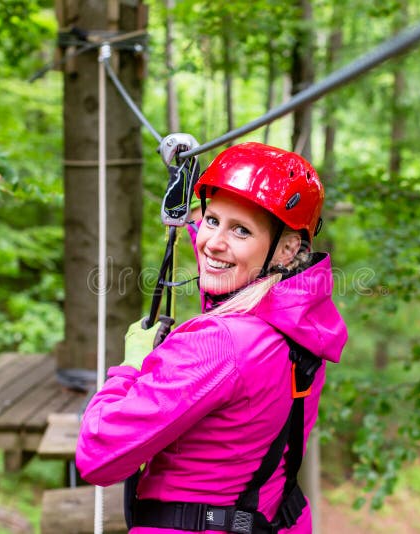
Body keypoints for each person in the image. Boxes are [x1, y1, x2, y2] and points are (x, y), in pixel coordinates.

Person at [76, 142, 347, 534]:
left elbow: (98, 457)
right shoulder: (304, 324)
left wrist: (131, 366)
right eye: (212, 220)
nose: (212, 242)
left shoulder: (217, 344)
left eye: (241, 229)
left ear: (287, 250)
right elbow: (226, 258)